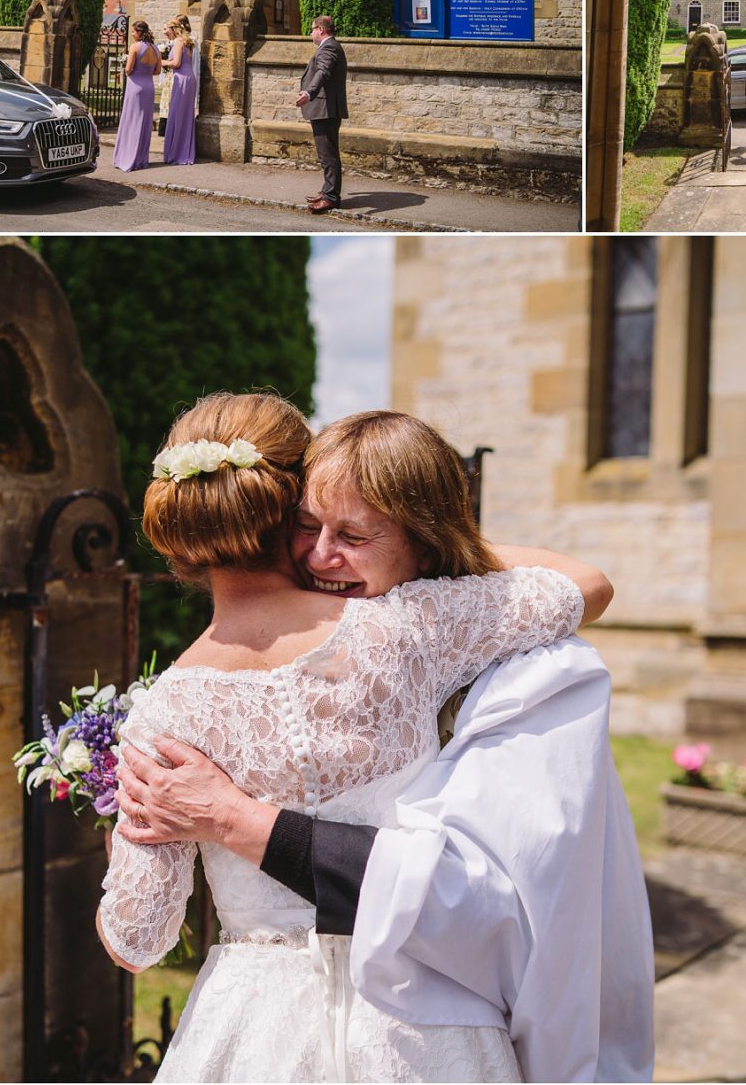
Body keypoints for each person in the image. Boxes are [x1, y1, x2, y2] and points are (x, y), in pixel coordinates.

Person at [112, 410, 653, 1083]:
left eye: (352, 532)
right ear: (279, 508)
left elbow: (136, 941)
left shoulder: (157, 719)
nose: (319, 553)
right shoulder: (412, 627)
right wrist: (452, 561)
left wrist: (149, 823)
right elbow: (584, 583)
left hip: (263, 1025)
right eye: (309, 524)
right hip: (422, 1022)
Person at [295, 15, 348, 214]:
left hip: (325, 110)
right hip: (324, 109)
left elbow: (323, 72)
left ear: (320, 29)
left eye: (311, 29)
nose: (310, 34)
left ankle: (332, 197)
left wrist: (309, 93)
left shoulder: (329, 47)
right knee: (325, 153)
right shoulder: (329, 47)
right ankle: (327, 191)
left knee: (328, 155)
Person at [112, 20, 161, 172]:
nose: (132, 34)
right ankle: (140, 159)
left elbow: (128, 70)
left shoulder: (135, 47)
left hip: (135, 87)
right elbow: (157, 71)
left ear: (139, 32)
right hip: (149, 87)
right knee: (144, 123)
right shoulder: (156, 49)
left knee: (131, 121)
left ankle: (127, 157)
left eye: (133, 31)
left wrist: (133, 70)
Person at [160, 17, 197, 165]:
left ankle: (176, 153)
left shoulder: (177, 42)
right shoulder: (187, 41)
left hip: (181, 80)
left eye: (166, 29)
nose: (164, 32)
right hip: (189, 79)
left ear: (173, 29)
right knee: (185, 116)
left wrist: (160, 62)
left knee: (176, 114)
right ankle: (184, 150)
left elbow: (176, 63)